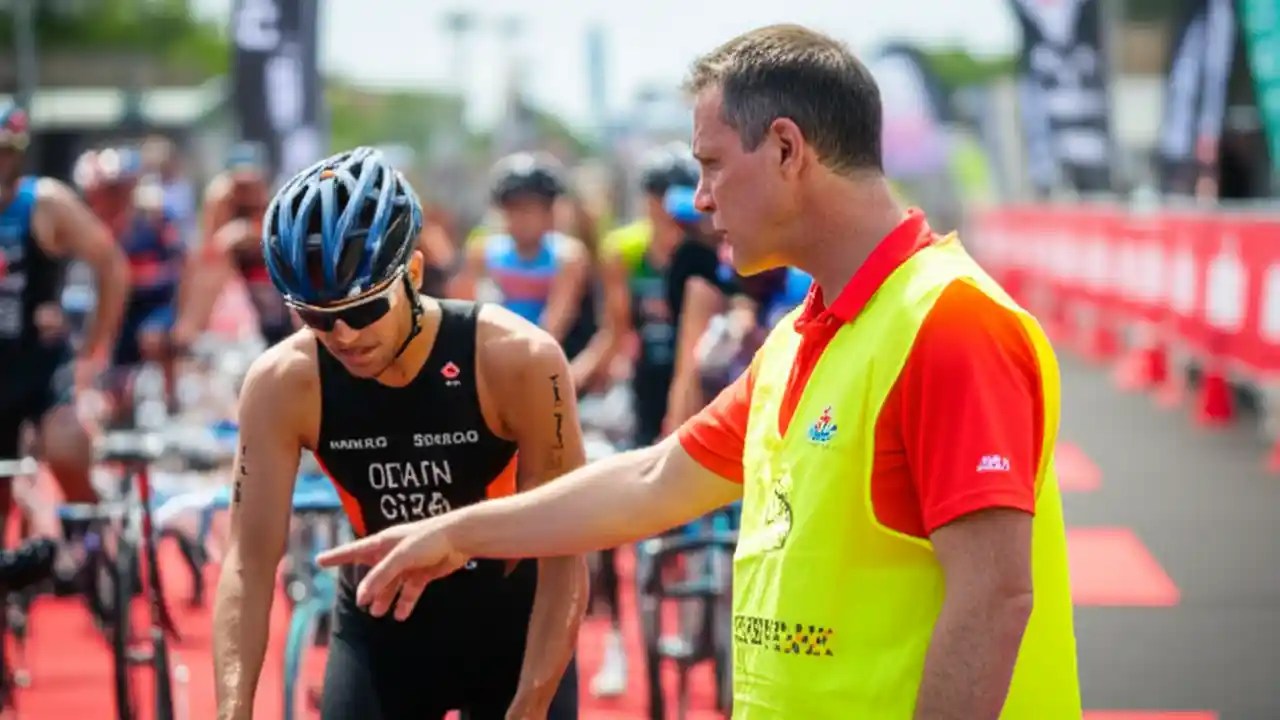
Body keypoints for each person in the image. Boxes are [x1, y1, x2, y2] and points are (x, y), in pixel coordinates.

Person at [316, 25, 1082, 720]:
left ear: (787, 149)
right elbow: (652, 481)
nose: (700, 198)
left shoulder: (949, 322)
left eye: (711, 166)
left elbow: (995, 596)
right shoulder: (800, 338)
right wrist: (458, 530)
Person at [212, 147, 586, 720]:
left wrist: (532, 703)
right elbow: (249, 561)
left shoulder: (517, 360)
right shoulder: (284, 382)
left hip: (512, 622)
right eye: (314, 316)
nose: (341, 336)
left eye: (362, 310)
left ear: (412, 274)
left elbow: (564, 550)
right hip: (382, 629)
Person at [570, 144, 700, 698]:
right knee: (604, 511)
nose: (667, 216)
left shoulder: (711, 246)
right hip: (643, 393)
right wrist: (564, 381)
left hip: (705, 390)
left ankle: (709, 626)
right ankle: (621, 641)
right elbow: (614, 331)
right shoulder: (623, 251)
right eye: (658, 202)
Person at [0, 103, 129, 553]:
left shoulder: (45, 202)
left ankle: (97, 542)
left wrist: (94, 349)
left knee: (67, 451)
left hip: (42, 367)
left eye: (5, 152)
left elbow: (110, 265)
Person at [449, 152, 595, 361]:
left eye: (529, 209)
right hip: (490, 358)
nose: (521, 218)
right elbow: (464, 316)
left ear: (548, 211)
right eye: (513, 208)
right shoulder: (482, 253)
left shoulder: (568, 256)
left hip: (545, 360)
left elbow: (552, 328)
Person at [173, 141, 293, 351]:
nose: (246, 193)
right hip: (245, 307)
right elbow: (207, 254)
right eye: (240, 186)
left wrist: (246, 233)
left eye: (251, 185)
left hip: (281, 305)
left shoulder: (279, 207)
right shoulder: (224, 201)